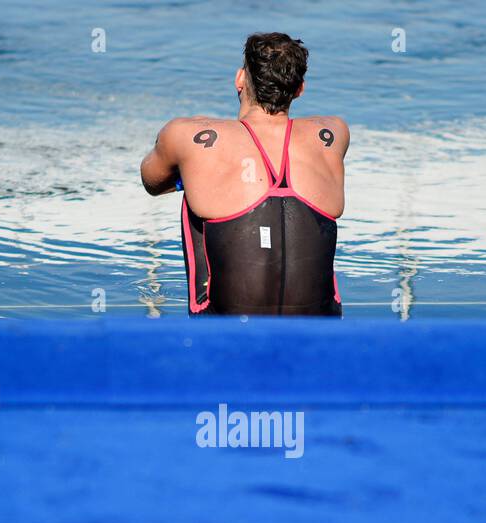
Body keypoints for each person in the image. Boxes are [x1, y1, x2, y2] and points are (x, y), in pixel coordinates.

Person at [140, 33, 348, 316]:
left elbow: (152, 181)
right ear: (299, 89)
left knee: (194, 186)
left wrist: (200, 164)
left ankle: (207, 315)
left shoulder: (187, 133)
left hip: (225, 330)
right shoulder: (333, 132)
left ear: (240, 79)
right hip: (320, 328)